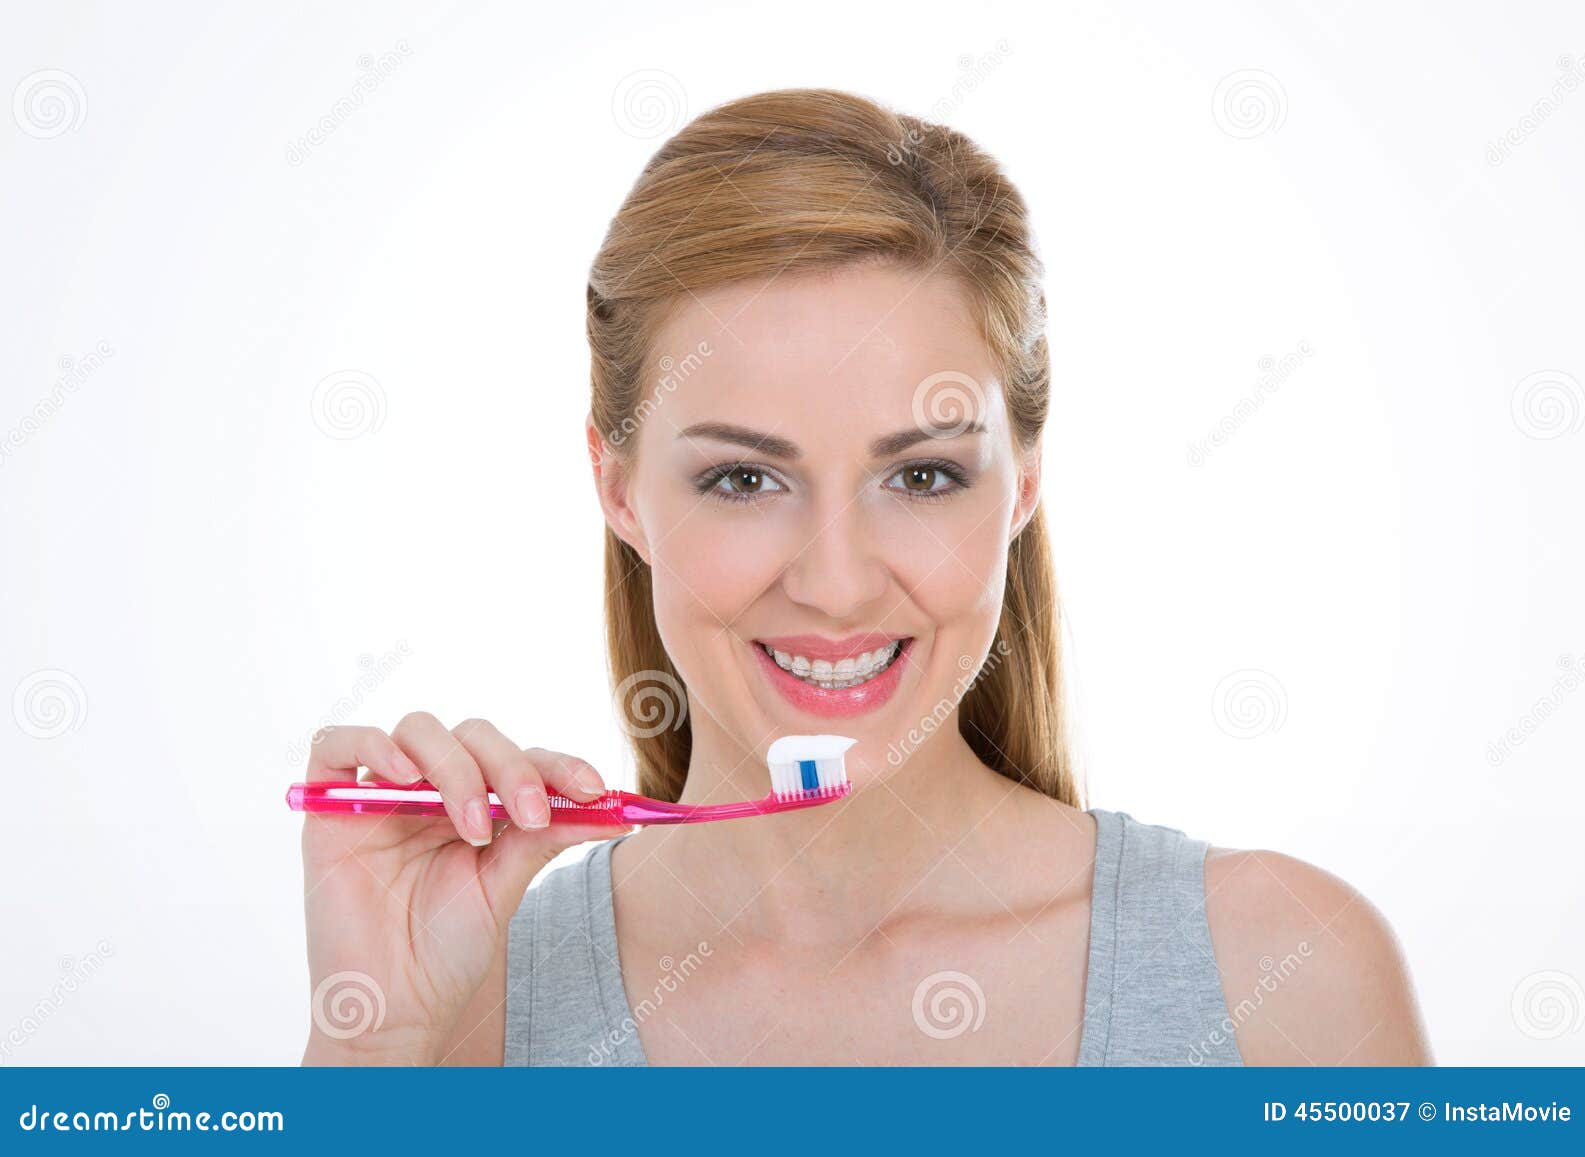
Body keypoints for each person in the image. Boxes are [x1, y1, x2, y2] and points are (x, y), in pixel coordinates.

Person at [298, 88, 1431, 1067]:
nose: (836, 585)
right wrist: (373, 1044)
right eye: (744, 479)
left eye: (924, 475)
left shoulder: (1285, 977)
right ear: (619, 487)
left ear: (1023, 481)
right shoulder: (469, 1018)